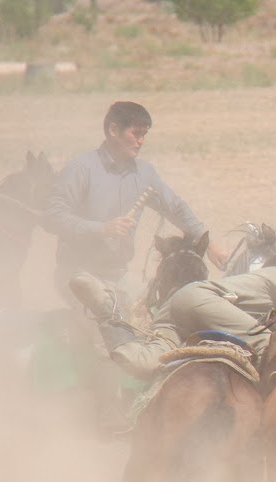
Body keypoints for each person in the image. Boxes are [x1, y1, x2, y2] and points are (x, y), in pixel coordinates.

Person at [44, 101, 229, 334]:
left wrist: (208, 243)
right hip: (78, 276)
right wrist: (101, 228)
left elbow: (175, 208)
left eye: (144, 135)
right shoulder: (81, 169)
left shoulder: (144, 173)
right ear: (113, 131)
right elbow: (51, 216)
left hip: (119, 275)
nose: (141, 141)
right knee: (110, 334)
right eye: (136, 134)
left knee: (157, 321)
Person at [71, 258, 276, 380]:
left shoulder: (254, 284)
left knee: (142, 363)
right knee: (273, 347)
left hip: (176, 310)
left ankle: (107, 313)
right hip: (199, 300)